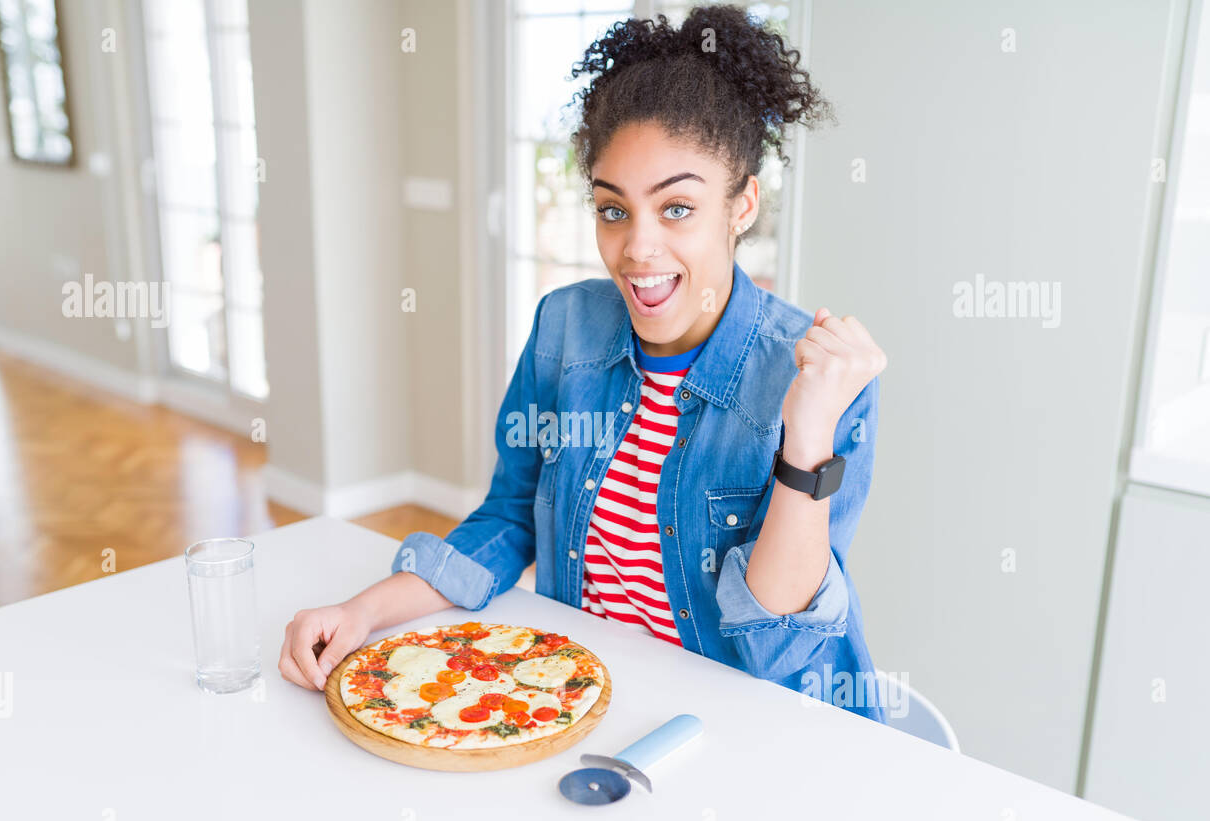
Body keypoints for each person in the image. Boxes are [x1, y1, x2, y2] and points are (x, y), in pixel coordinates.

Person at [279, 4, 889, 721]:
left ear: (743, 203)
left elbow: (776, 647)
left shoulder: (819, 379)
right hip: (592, 703)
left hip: (762, 732)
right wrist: (364, 612)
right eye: (613, 209)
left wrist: (807, 437)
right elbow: (510, 520)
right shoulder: (565, 329)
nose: (639, 248)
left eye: (678, 209)